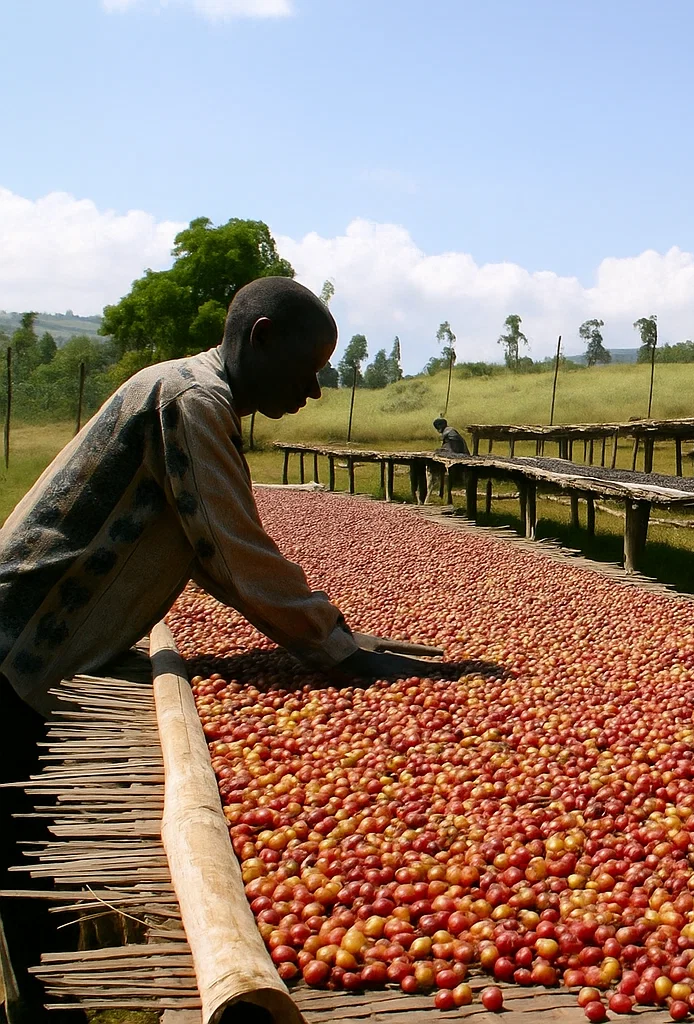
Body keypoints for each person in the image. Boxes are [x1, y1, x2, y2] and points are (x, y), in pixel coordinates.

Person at [0, 277, 433, 1022]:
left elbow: (205, 549)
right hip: (19, 655)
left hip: (35, 645)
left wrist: (345, 637)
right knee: (27, 877)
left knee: (26, 873)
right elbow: (235, 554)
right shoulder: (193, 402)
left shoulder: (187, 391)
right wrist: (346, 655)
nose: (317, 388)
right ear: (259, 338)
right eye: (308, 367)